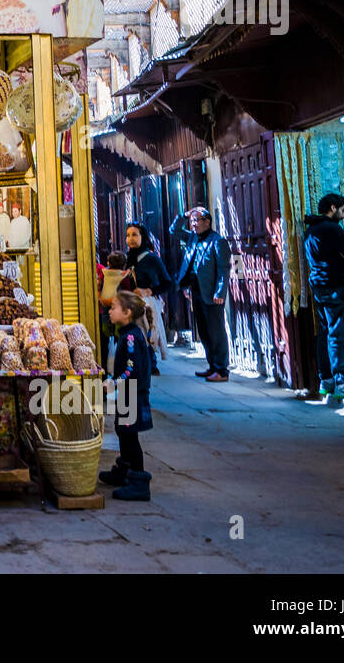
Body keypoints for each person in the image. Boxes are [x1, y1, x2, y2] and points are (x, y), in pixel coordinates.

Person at [304, 193, 344, 401]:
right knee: (339, 333)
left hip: (320, 286)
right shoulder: (331, 230)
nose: (343, 214)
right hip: (335, 286)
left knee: (325, 332)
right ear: (333, 208)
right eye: (342, 209)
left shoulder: (311, 230)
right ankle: (342, 381)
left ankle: (327, 380)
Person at [100, 291, 154, 501]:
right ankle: (125, 470)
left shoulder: (131, 337)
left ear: (127, 312)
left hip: (133, 394)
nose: (110, 311)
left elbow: (131, 368)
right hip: (127, 394)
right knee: (123, 431)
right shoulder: (127, 333)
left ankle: (139, 483)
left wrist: (115, 382)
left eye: (114, 308)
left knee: (130, 436)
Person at [171, 206, 232, 382]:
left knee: (216, 332)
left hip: (211, 293)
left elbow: (223, 270)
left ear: (207, 221)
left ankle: (222, 370)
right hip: (196, 292)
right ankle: (212, 366)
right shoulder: (192, 238)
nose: (194, 224)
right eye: (192, 221)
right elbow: (173, 230)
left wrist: (220, 291)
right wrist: (184, 215)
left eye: (197, 221)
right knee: (204, 332)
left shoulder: (217, 241)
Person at [125, 221, 172, 372]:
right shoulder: (129, 258)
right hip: (131, 305)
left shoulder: (152, 259)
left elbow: (167, 283)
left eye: (134, 235)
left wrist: (149, 291)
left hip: (147, 306)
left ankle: (151, 365)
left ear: (142, 237)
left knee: (148, 334)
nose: (131, 238)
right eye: (128, 235)